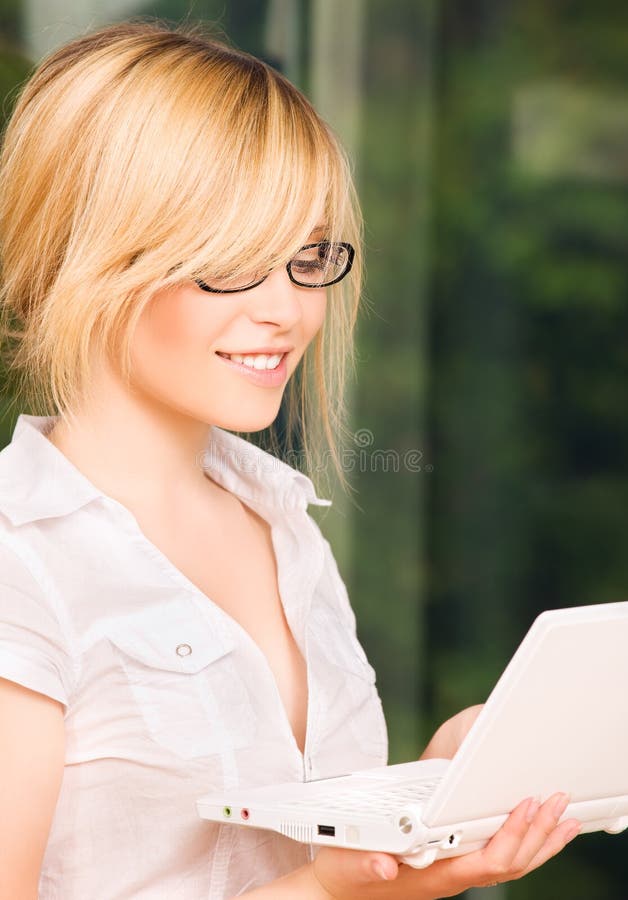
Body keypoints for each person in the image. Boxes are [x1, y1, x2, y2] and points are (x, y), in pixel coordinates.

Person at [0, 20, 580, 900]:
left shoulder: (280, 523)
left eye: (306, 256)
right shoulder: (21, 563)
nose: (288, 309)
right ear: (94, 255)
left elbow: (316, 868)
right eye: (232, 261)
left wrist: (430, 812)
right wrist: (339, 888)